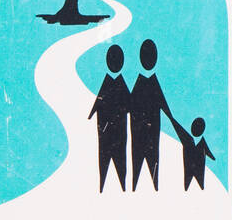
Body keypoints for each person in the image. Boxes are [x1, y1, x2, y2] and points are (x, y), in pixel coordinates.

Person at [129, 39, 174, 190]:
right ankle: (139, 186)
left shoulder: (143, 83)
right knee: (142, 164)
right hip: (143, 133)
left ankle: (149, 186)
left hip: (147, 133)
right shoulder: (147, 83)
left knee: (149, 163)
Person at [88, 45, 130, 192]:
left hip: (113, 131)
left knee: (116, 161)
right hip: (111, 131)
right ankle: (103, 186)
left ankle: (119, 186)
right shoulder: (113, 84)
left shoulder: (116, 84)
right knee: (107, 161)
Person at [171, 116, 216, 191]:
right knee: (188, 186)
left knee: (198, 186)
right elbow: (178, 128)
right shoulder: (189, 139)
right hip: (190, 168)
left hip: (197, 169)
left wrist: (212, 157)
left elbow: (208, 152)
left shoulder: (198, 141)